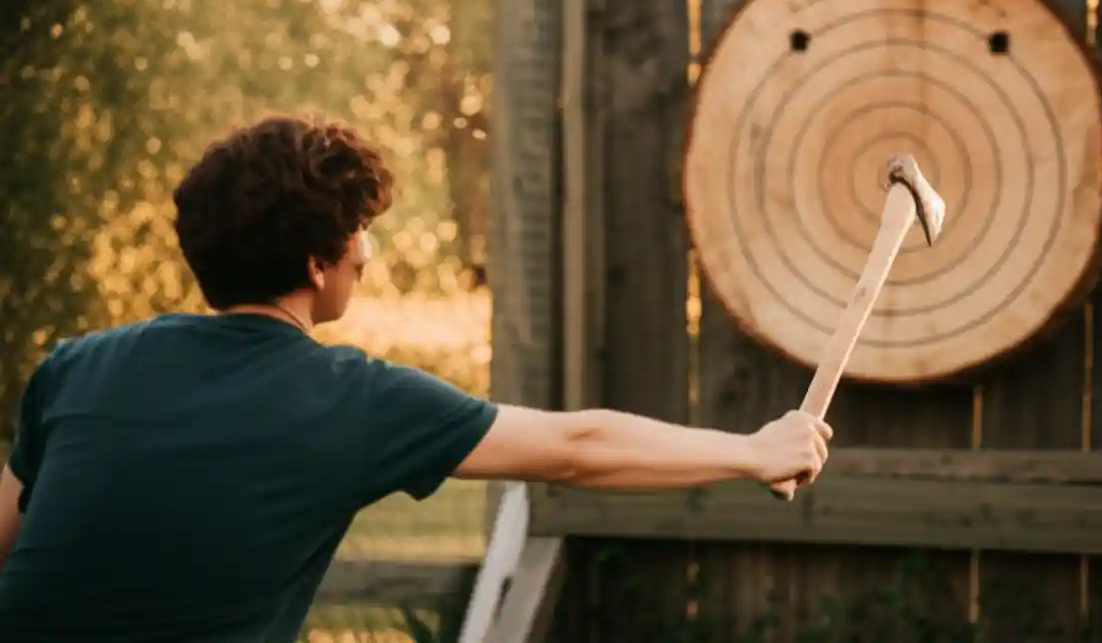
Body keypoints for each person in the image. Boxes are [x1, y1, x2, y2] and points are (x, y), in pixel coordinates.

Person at [0, 114, 832, 641]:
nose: (369, 251)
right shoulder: (353, 399)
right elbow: (577, 444)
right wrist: (754, 450)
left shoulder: (77, 367)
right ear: (318, 262)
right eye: (359, 230)